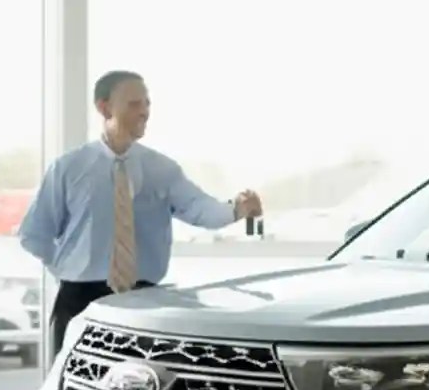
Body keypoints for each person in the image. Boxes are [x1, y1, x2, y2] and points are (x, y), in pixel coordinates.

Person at [19, 70, 264, 358]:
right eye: (134, 103)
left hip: (145, 300)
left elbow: (199, 208)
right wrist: (66, 269)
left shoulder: (161, 169)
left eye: (147, 103)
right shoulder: (68, 168)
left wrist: (235, 208)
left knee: (140, 387)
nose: (145, 111)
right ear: (104, 107)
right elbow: (34, 234)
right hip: (79, 301)